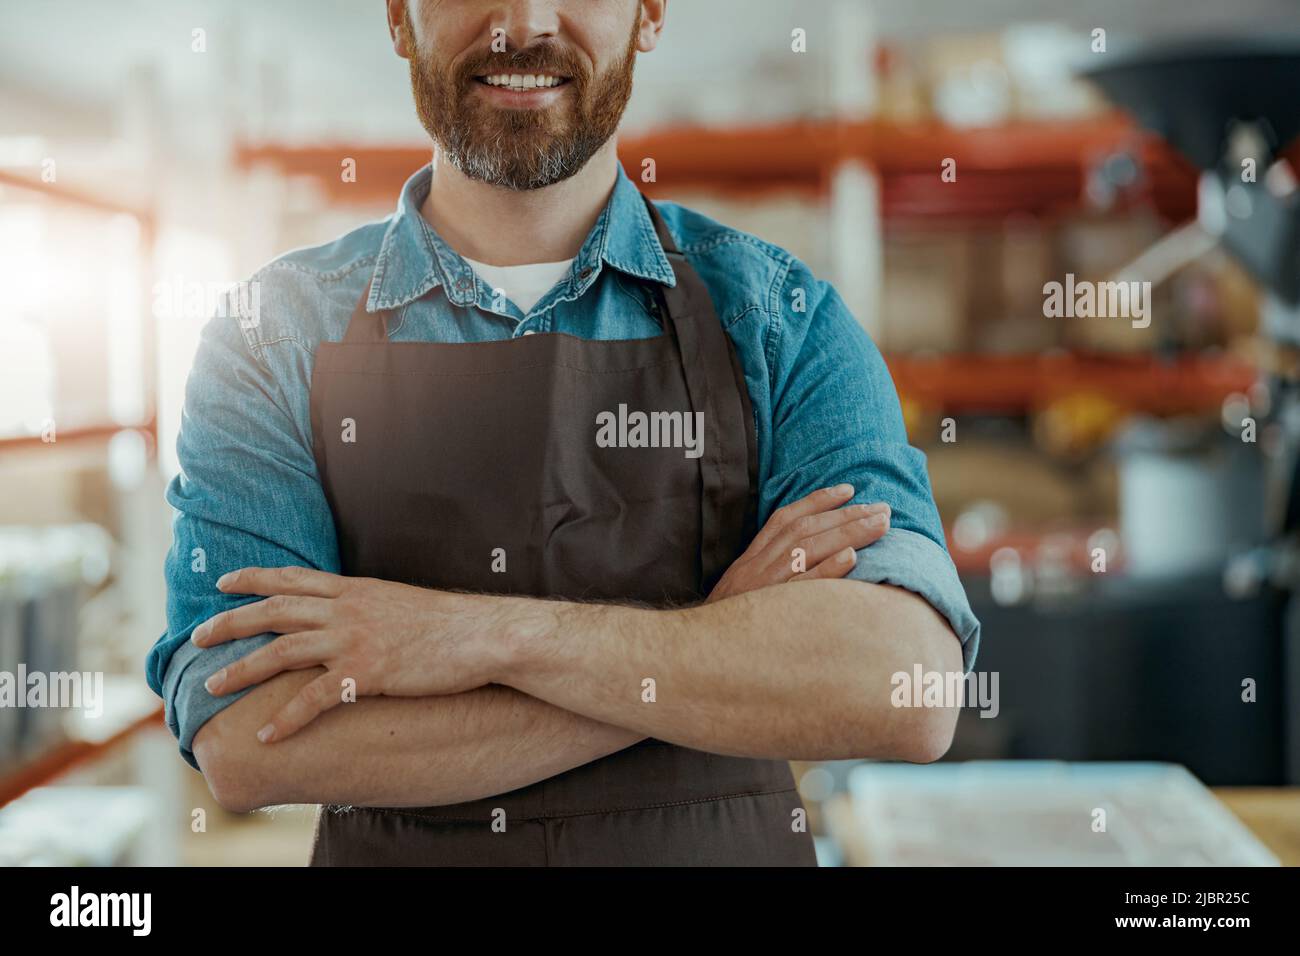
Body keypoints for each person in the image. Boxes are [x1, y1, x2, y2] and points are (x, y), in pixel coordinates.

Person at [145, 0, 980, 866]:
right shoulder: (269, 334)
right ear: (399, 17)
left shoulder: (780, 320)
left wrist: (470, 635)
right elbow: (245, 739)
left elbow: (904, 689)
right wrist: (713, 635)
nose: (524, 22)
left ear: (649, 14)